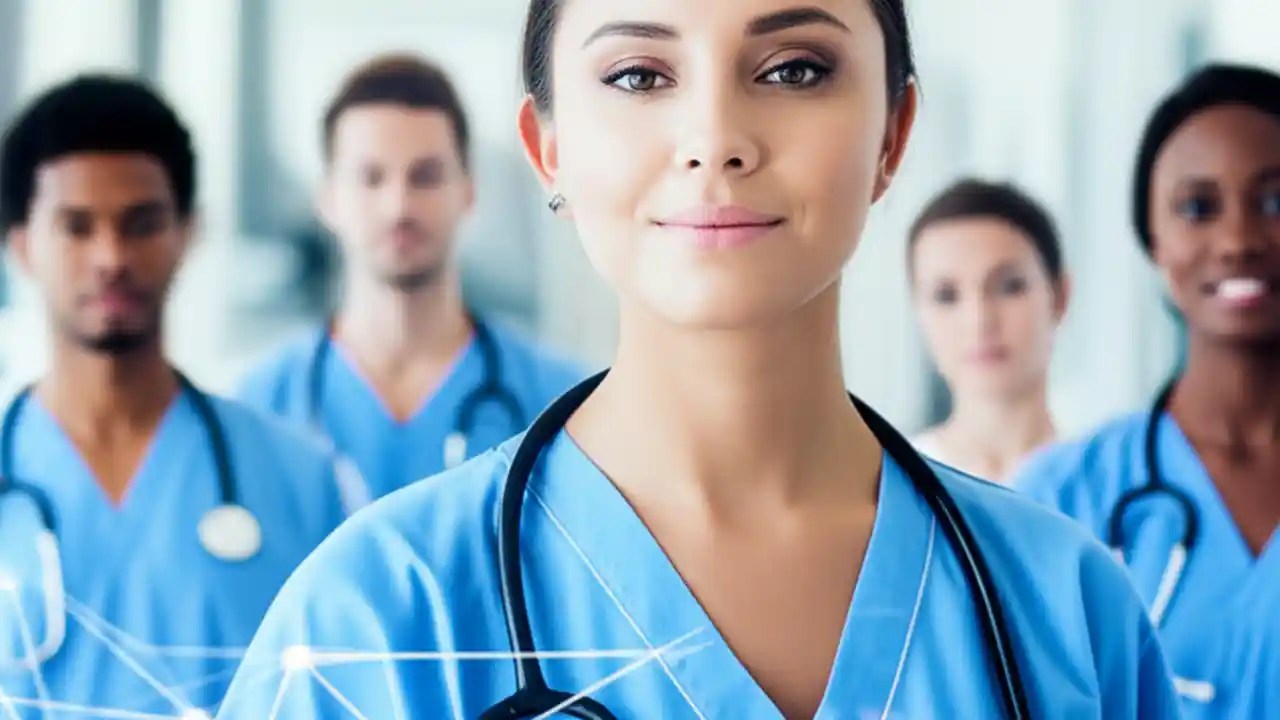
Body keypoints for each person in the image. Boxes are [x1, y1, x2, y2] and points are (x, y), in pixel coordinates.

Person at [217, 2, 1179, 717]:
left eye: (794, 68)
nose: (716, 140)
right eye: (639, 75)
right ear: (546, 147)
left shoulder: (1066, 615)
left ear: (893, 132)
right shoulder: (371, 624)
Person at [0, 76, 361, 717]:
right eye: (76, 226)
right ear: (21, 245)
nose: (111, 256)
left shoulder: (299, 481)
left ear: (188, 233)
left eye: (141, 223)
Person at [1015, 63, 1280, 717]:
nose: (1239, 240)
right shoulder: (1059, 501)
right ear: (1154, 240)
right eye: (1198, 208)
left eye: (1277, 201)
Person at [237, 54, 585, 500]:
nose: (398, 206)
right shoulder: (259, 406)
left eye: (426, 176)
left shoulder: (560, 402)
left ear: (468, 192)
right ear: (327, 198)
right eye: (370, 177)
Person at [909, 179, 1068, 483]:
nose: (979, 320)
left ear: (1060, 296)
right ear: (918, 313)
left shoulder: (1106, 483)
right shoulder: (889, 489)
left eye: (1009, 286)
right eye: (946, 295)